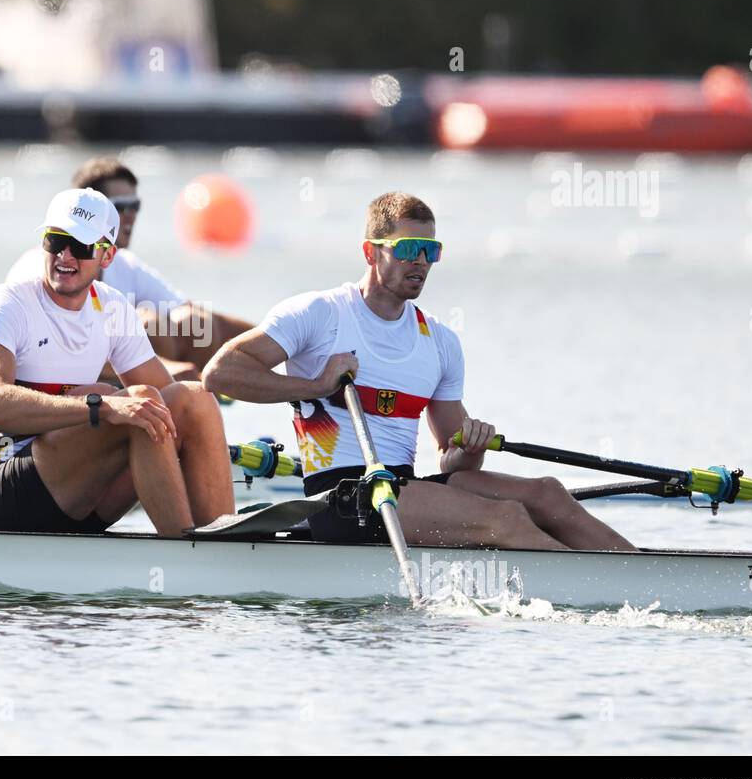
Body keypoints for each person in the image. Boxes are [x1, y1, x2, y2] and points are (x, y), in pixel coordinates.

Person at [204, 191, 635, 552]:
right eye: (409, 249)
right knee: (506, 518)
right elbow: (220, 372)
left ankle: (646, 575)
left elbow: (452, 457)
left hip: (402, 489)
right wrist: (316, 385)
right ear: (371, 252)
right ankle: (599, 588)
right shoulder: (320, 314)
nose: (421, 262)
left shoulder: (439, 340)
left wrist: (472, 444)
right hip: (342, 500)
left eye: (431, 251)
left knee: (545, 493)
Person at [0, 187, 234, 536]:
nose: (65, 256)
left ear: (107, 256)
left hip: (79, 492)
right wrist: (102, 407)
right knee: (136, 402)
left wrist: (203, 444)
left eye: (81, 246)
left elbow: (175, 403)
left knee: (195, 399)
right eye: (56, 240)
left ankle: (223, 538)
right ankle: (185, 551)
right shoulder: (7, 305)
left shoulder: (113, 308)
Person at [6, 157, 253, 379]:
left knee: (197, 323)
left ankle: (191, 410)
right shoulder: (43, 267)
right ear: (88, 212)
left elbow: (193, 312)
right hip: (57, 394)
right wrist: (163, 369)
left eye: (135, 205)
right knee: (147, 324)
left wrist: (276, 339)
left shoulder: (125, 265)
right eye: (120, 206)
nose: (130, 216)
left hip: (108, 385)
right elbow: (54, 351)